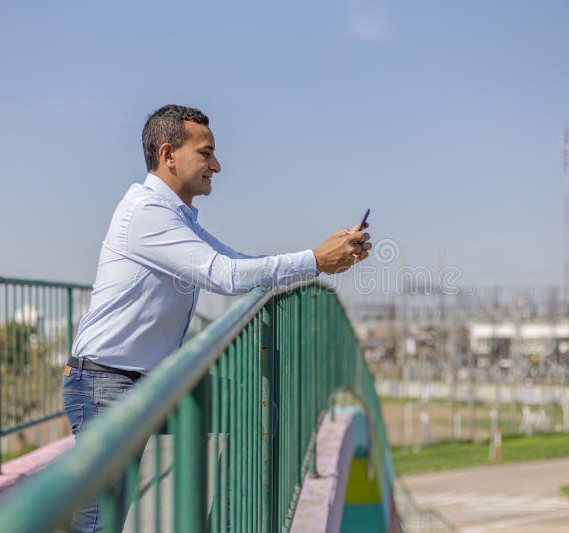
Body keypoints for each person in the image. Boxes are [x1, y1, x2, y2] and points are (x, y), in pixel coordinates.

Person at [61, 104, 372, 532]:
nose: (217, 166)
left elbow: (234, 262)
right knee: (99, 524)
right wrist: (315, 260)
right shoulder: (147, 213)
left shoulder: (176, 215)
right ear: (168, 154)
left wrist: (317, 256)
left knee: (257, 410)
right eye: (206, 154)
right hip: (106, 383)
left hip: (153, 380)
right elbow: (224, 276)